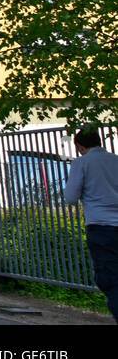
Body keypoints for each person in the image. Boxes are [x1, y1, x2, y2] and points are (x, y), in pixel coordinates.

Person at [64, 127, 118, 322]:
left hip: (100, 225)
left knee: (110, 277)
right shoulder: (115, 160)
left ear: (79, 146)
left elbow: (70, 197)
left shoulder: (81, 163)